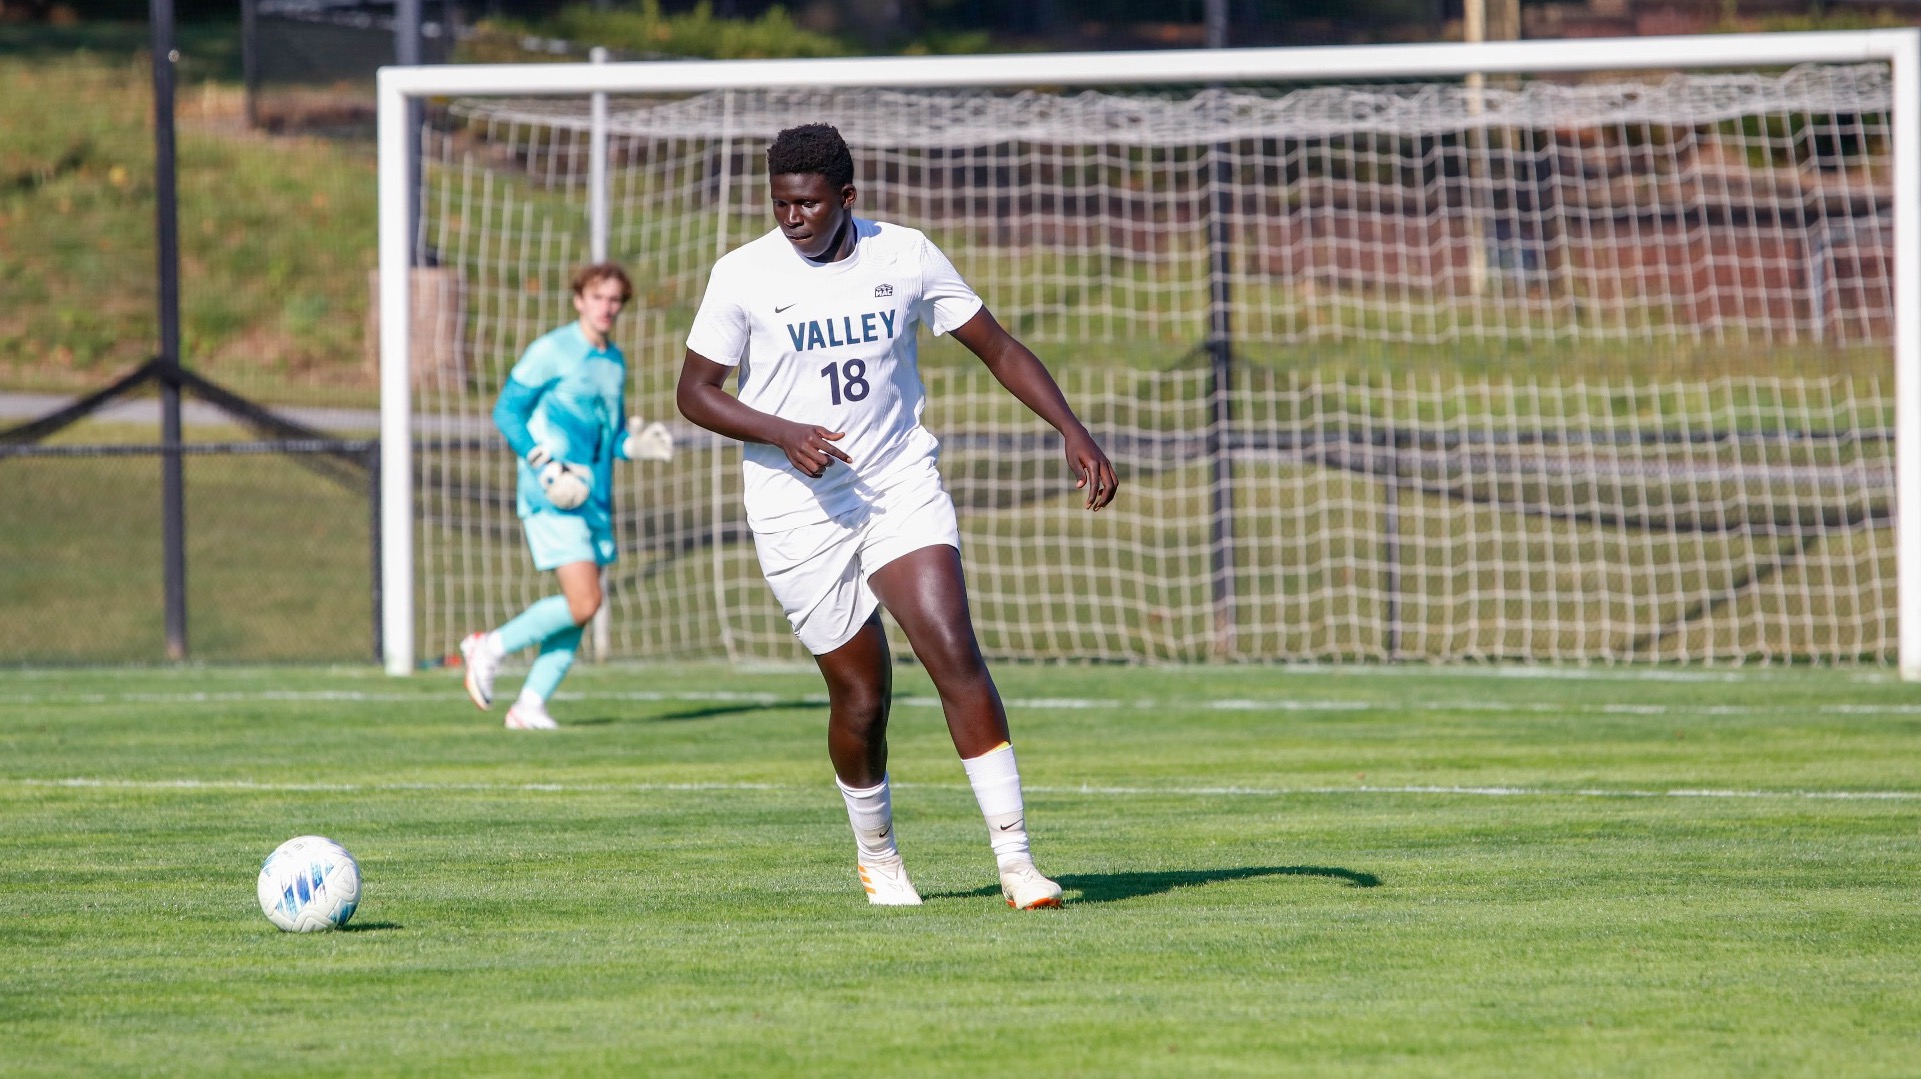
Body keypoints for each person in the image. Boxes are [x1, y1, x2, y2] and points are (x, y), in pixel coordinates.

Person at [676, 124, 1119, 909]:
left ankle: (1016, 862)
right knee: (862, 698)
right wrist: (782, 433)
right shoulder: (741, 275)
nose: (792, 219)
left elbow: (998, 346)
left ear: (846, 198)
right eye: (779, 204)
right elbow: (695, 392)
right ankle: (878, 854)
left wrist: (1070, 428)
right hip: (795, 505)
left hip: (894, 483)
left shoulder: (905, 254)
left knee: (953, 648)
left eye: (807, 204)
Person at [459, 262, 675, 730]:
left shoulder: (613, 361)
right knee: (585, 602)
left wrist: (632, 446)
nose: (607, 307)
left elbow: (608, 437)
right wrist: (544, 465)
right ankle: (489, 646)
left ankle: (530, 705)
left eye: (615, 299)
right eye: (598, 297)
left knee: (584, 605)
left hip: (593, 497)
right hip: (550, 494)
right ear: (579, 299)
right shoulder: (551, 350)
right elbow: (507, 411)